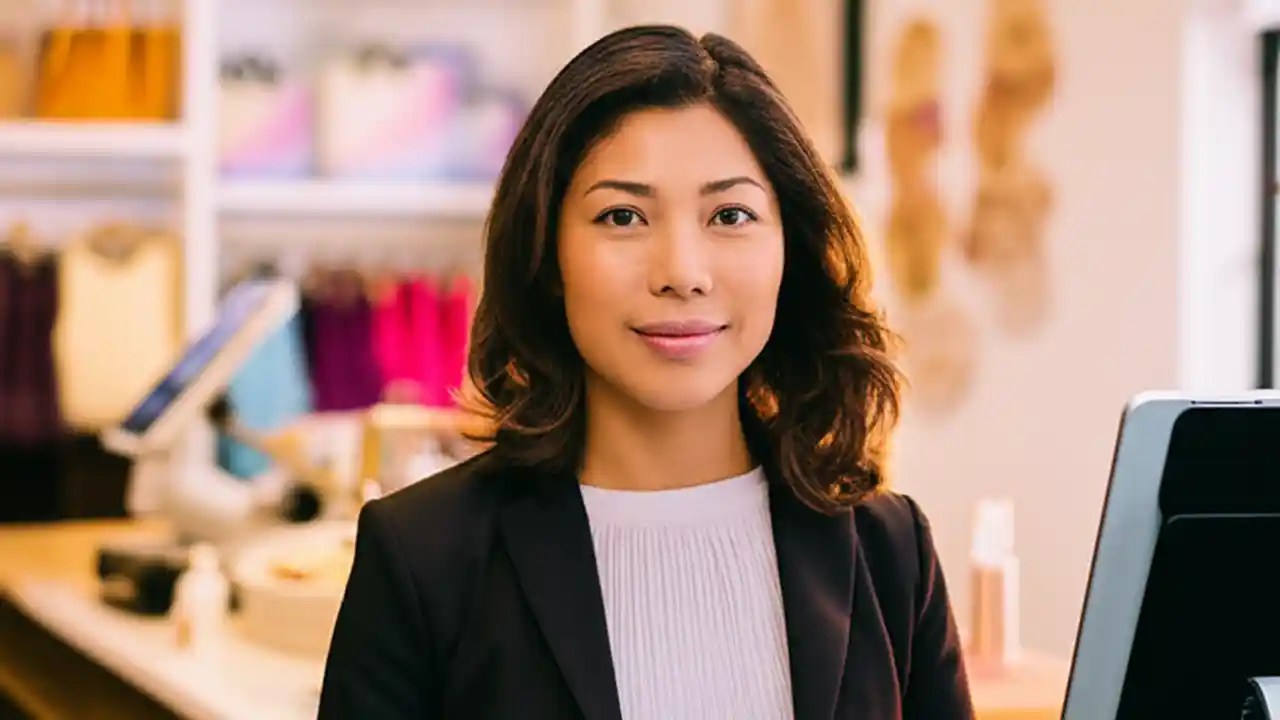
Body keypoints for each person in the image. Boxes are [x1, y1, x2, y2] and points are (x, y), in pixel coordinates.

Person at [318, 24, 973, 720]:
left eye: (731, 214)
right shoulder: (423, 556)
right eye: (623, 216)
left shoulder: (890, 549)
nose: (682, 274)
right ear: (547, 255)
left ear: (792, 248)